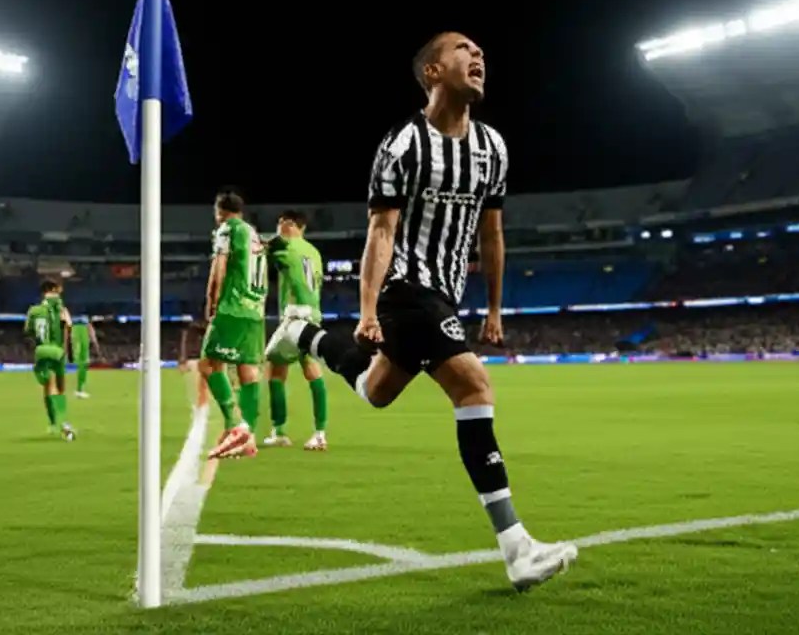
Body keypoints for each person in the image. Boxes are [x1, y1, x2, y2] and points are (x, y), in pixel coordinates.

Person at [267, 32, 576, 591]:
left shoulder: (493, 149)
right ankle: (517, 548)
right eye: (464, 49)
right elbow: (381, 231)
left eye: (483, 50)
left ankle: (303, 333)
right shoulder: (403, 145)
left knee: (377, 391)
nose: (478, 56)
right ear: (432, 72)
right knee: (474, 387)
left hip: (446, 294)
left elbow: (492, 233)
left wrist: (495, 309)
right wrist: (367, 309)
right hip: (407, 287)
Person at [201, 189, 269, 459]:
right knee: (248, 371)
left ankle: (234, 424)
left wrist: (211, 301)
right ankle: (247, 436)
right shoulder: (254, 235)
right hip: (256, 309)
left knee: (208, 363)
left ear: (219, 210)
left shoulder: (227, 229)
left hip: (234, 306)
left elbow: (219, 265)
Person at [262, 209, 330, 450]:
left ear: (290, 225)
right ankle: (320, 433)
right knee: (311, 370)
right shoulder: (314, 251)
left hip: (294, 316)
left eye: (281, 223)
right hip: (314, 312)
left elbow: (259, 248)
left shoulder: (285, 246)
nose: (279, 228)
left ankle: (279, 431)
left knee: (273, 367)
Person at [25, 280, 76, 441]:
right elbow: (69, 327)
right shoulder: (60, 308)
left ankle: (53, 423)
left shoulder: (34, 310)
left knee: (48, 387)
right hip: (58, 351)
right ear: (53, 290)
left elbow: (28, 331)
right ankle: (64, 423)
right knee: (60, 389)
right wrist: (69, 352)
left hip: (41, 350)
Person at [71, 315, 99, 398]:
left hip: (74, 330)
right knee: (83, 363)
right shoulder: (85, 323)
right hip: (81, 332)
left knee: (81, 362)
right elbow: (90, 329)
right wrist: (95, 342)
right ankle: (79, 390)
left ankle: (79, 390)